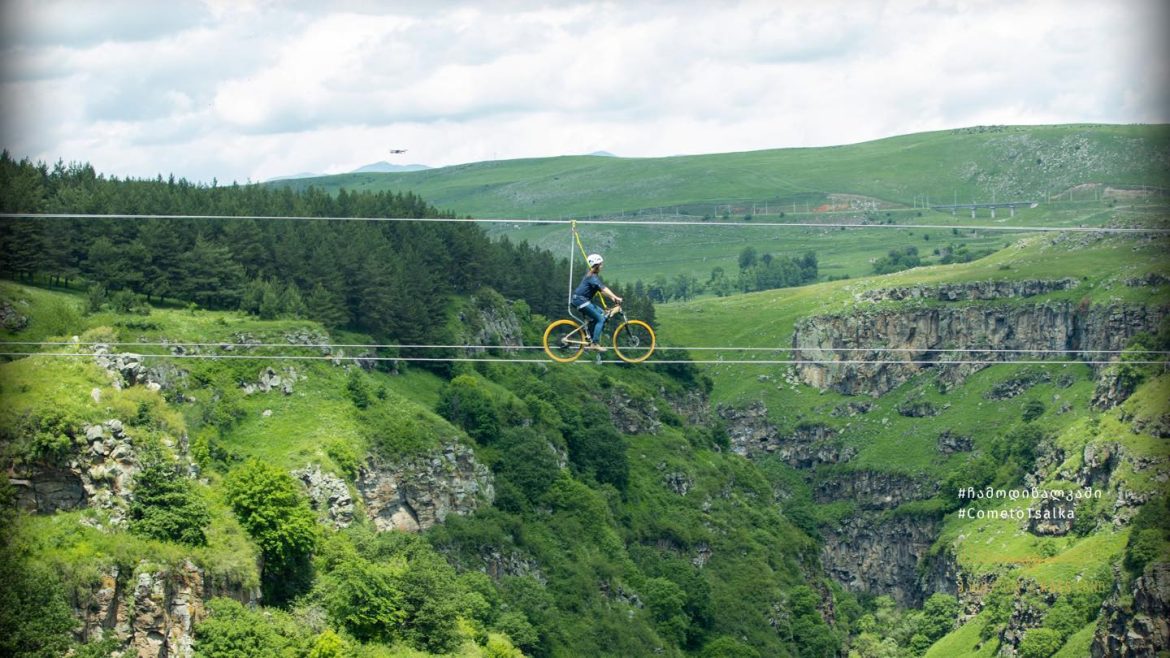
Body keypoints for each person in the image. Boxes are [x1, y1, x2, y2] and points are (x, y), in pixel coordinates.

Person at [571, 253, 623, 352]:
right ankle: (594, 343)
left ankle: (588, 335)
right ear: (596, 265)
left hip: (581, 300)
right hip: (580, 301)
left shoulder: (592, 276)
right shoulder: (592, 277)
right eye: (601, 264)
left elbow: (602, 291)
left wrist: (613, 298)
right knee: (601, 319)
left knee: (603, 314)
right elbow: (603, 288)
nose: (602, 266)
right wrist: (616, 297)